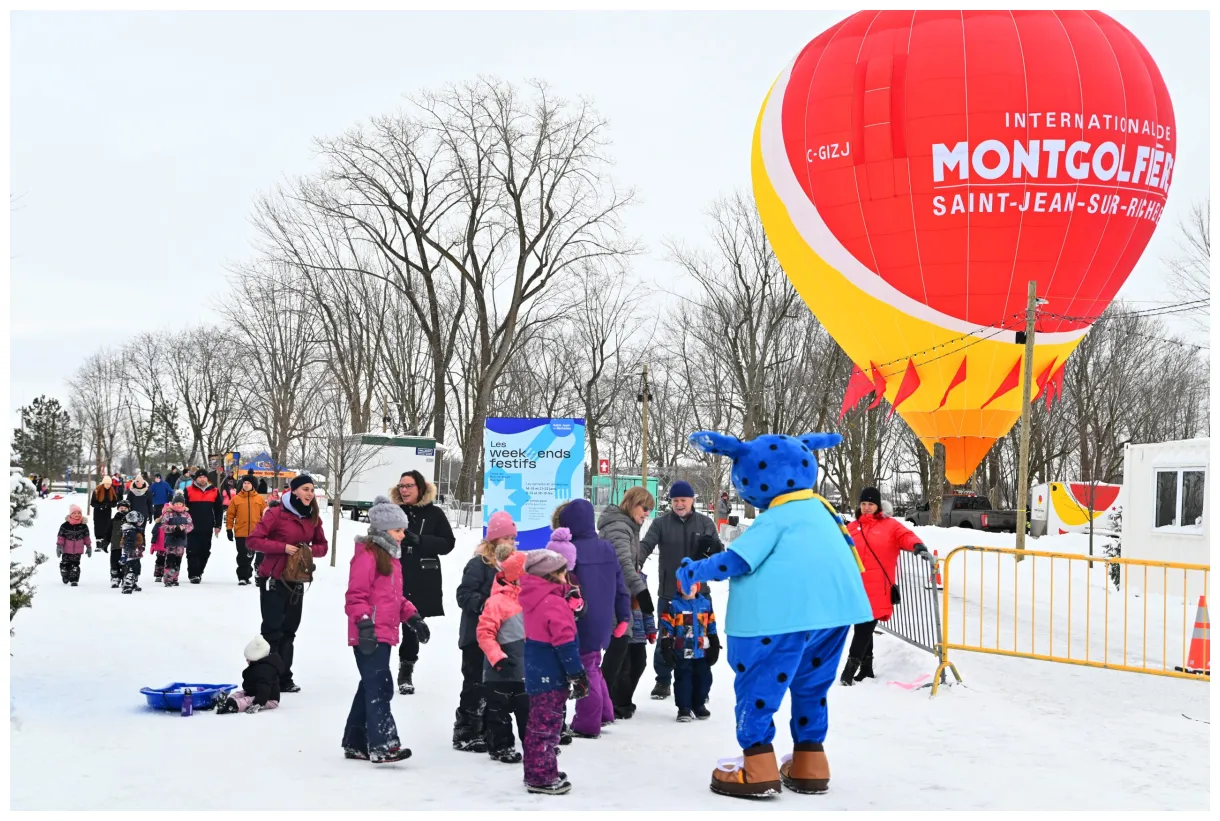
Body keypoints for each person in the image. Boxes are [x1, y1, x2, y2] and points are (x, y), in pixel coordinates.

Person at [678, 430, 873, 799]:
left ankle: (757, 767)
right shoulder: (822, 512)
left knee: (759, 687)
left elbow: (736, 561)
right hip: (833, 615)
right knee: (811, 686)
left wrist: (693, 571)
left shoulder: (777, 518)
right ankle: (810, 763)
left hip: (778, 618)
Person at [342, 495, 430, 764]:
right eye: (398, 530)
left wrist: (413, 617)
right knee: (380, 686)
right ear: (382, 531)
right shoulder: (367, 557)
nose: (403, 535)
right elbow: (355, 596)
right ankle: (383, 744)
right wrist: (364, 623)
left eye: (403, 530)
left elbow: (394, 598)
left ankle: (355, 741)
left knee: (370, 685)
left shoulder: (391, 559)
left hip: (384, 632)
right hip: (368, 632)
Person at [638, 480, 723, 700]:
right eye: (675, 500)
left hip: (699, 594)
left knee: (700, 637)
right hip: (670, 593)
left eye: (683, 500)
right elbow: (646, 544)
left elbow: (718, 554)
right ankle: (663, 680)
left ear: (692, 500)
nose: (679, 504)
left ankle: (699, 682)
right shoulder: (661, 523)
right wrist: (635, 561)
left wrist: (714, 551)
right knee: (666, 636)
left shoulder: (705, 523)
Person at [247, 474, 330, 693]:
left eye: (311, 490)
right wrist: (282, 547)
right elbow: (253, 541)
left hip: (297, 579)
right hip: (273, 579)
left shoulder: (312, 517)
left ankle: (284, 678)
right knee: (272, 631)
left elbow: (323, 546)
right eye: (305, 489)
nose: (310, 493)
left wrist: (309, 550)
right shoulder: (276, 513)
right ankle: (267, 678)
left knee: (289, 631)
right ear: (293, 491)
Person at [555, 499, 630, 739]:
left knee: (586, 669)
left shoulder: (569, 551)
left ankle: (587, 723)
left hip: (580, 618)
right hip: (603, 619)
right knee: (594, 664)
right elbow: (620, 585)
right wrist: (624, 616)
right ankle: (605, 712)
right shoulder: (606, 548)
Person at [842, 487, 932, 685]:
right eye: (863, 504)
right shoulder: (853, 527)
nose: (866, 507)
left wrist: (917, 545)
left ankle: (848, 673)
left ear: (878, 506)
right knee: (862, 628)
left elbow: (905, 536)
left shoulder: (890, 525)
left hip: (879, 589)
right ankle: (866, 669)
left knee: (864, 628)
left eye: (871, 504)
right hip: (857, 587)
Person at [519, 549, 589, 796]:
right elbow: (565, 642)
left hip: (538, 669)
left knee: (539, 722)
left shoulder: (535, 598)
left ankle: (537, 770)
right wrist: (577, 673)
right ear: (552, 575)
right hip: (551, 671)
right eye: (563, 572)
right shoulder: (553, 604)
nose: (566, 576)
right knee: (546, 726)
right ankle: (541, 777)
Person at [451, 511, 517, 751]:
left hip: (499, 638)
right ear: (494, 539)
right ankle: (466, 729)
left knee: (493, 685)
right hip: (475, 635)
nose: (510, 542)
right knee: (474, 683)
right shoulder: (479, 563)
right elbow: (463, 594)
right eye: (506, 538)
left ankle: (489, 728)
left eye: (513, 538)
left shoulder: (512, 566)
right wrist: (484, 604)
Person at [390, 470, 456, 695]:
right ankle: (377, 669)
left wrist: (421, 541)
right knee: (385, 622)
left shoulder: (434, 513)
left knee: (411, 625)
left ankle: (405, 671)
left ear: (420, 488)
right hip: (395, 573)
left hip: (421, 576)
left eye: (409, 485)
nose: (404, 490)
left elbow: (448, 543)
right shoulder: (394, 512)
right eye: (401, 486)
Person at [596, 486, 656, 718]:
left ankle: (614, 702)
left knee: (631, 654)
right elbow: (623, 563)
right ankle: (601, 704)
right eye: (645, 508)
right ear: (632, 503)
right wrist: (641, 591)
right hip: (613, 596)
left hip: (622, 595)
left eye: (650, 510)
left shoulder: (628, 526)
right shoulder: (619, 527)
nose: (647, 513)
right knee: (617, 650)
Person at [476, 551, 530, 764]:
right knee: (498, 711)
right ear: (516, 577)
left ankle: (535, 746)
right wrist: (497, 657)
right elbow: (484, 633)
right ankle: (501, 747)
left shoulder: (532, 600)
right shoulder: (497, 602)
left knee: (528, 711)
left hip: (525, 668)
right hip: (500, 669)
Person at [660, 578, 719, 721]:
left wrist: (714, 643)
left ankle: (699, 704)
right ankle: (684, 708)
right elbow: (667, 627)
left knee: (704, 679)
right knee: (683, 680)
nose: (689, 588)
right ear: (679, 587)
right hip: (682, 652)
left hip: (701, 651)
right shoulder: (674, 605)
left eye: (692, 584)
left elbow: (711, 624)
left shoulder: (705, 604)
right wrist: (667, 645)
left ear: (697, 586)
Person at [217, 636, 285, 715]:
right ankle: (228, 700)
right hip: (255, 692)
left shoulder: (265, 671)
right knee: (240, 693)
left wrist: (258, 703)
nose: (246, 660)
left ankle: (233, 705)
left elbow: (264, 690)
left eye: (248, 659)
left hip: (268, 699)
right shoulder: (259, 666)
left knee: (248, 700)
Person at [183, 469, 224, 584]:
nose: (202, 479)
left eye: (204, 477)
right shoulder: (188, 490)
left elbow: (218, 510)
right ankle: (193, 574)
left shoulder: (214, 491)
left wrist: (218, 525)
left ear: (207, 478)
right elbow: (183, 508)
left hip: (207, 526)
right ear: (196, 479)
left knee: (205, 551)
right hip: (191, 526)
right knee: (192, 550)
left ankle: (199, 571)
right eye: (200, 477)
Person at [226, 476, 267, 586]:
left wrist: (266, 529)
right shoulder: (236, 499)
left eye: (248, 483)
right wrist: (229, 529)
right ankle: (243, 577)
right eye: (244, 483)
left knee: (255, 555)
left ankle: (254, 574)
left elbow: (265, 515)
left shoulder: (259, 499)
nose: (246, 485)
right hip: (241, 532)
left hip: (256, 533)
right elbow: (230, 515)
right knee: (242, 555)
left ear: (253, 485)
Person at [159, 492, 192, 587]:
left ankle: (174, 578)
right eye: (176, 503)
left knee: (178, 560)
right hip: (171, 540)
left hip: (181, 541)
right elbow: (163, 526)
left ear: (183, 504)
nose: (178, 505)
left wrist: (183, 528)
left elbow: (191, 525)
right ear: (173, 504)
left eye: (180, 503)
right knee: (170, 559)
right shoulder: (168, 514)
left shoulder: (186, 515)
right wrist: (174, 528)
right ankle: (168, 579)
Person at [56, 504, 92, 586]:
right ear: (70, 514)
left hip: (77, 550)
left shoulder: (83, 526)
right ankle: (65, 575)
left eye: (79, 513)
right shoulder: (65, 525)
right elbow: (60, 537)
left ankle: (74, 580)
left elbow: (86, 537)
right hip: (66, 550)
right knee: (65, 564)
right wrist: (59, 546)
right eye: (74, 513)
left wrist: (89, 547)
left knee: (75, 565)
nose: (77, 515)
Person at [90, 476, 120, 554]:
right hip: (98, 512)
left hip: (107, 512)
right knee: (98, 527)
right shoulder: (97, 490)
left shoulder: (112, 491)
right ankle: (98, 545)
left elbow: (115, 502)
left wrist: (109, 505)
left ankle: (104, 544)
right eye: (106, 484)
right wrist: (100, 506)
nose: (108, 486)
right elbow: (92, 503)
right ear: (103, 483)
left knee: (106, 527)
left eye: (109, 484)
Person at [119, 510, 146, 594]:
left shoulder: (135, 530)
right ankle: (127, 585)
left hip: (135, 554)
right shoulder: (131, 531)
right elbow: (128, 543)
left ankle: (133, 583)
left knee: (136, 569)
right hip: (131, 554)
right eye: (140, 520)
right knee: (131, 569)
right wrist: (125, 554)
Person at [108, 498, 133, 588]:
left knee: (126, 563)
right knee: (114, 562)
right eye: (121, 508)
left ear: (128, 509)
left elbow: (137, 532)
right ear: (118, 509)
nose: (123, 509)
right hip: (115, 545)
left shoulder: (131, 521)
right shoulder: (113, 521)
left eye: (125, 508)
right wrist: (105, 542)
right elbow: (108, 532)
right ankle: (115, 578)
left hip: (127, 546)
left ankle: (126, 578)